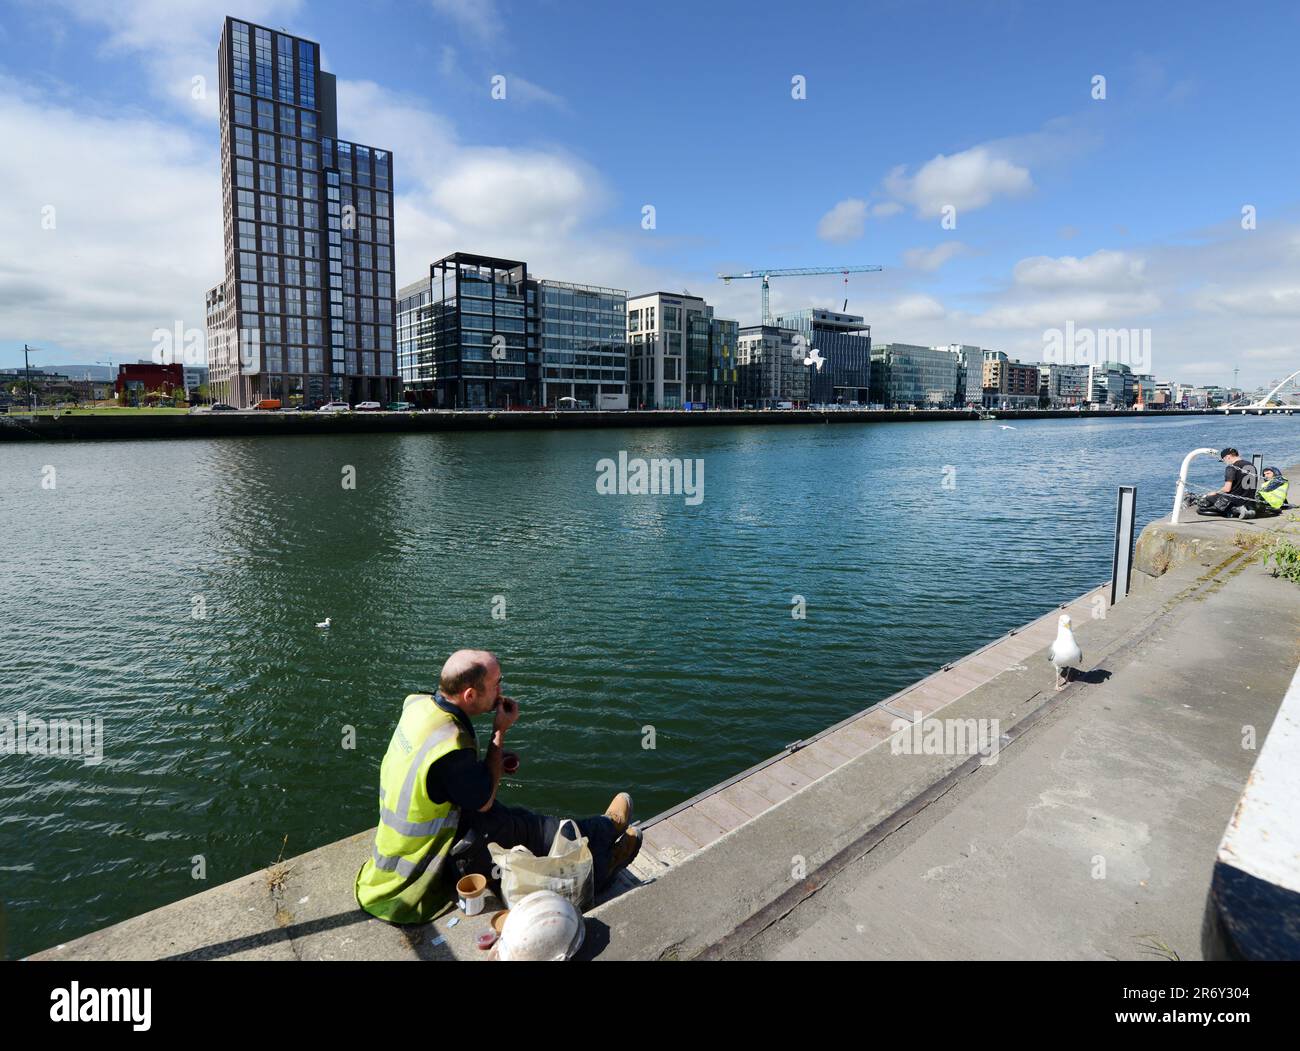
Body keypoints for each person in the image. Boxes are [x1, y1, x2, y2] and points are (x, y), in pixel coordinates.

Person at [355, 649, 640, 924]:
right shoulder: (449, 745)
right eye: (496, 683)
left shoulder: (419, 706)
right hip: (425, 864)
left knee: (521, 820)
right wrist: (499, 730)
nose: (501, 689)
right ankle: (604, 857)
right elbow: (483, 799)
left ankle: (601, 831)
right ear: (470, 694)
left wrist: (493, 762)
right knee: (523, 835)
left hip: (414, 836)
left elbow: (449, 780)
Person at [1197, 448, 1259, 517]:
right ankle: (1248, 509)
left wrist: (1215, 493)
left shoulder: (1231, 467)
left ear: (1228, 457)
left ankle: (1235, 510)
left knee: (1208, 498)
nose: (1224, 462)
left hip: (1235, 501)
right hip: (1249, 500)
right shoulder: (1251, 465)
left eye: (1223, 460)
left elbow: (1227, 489)